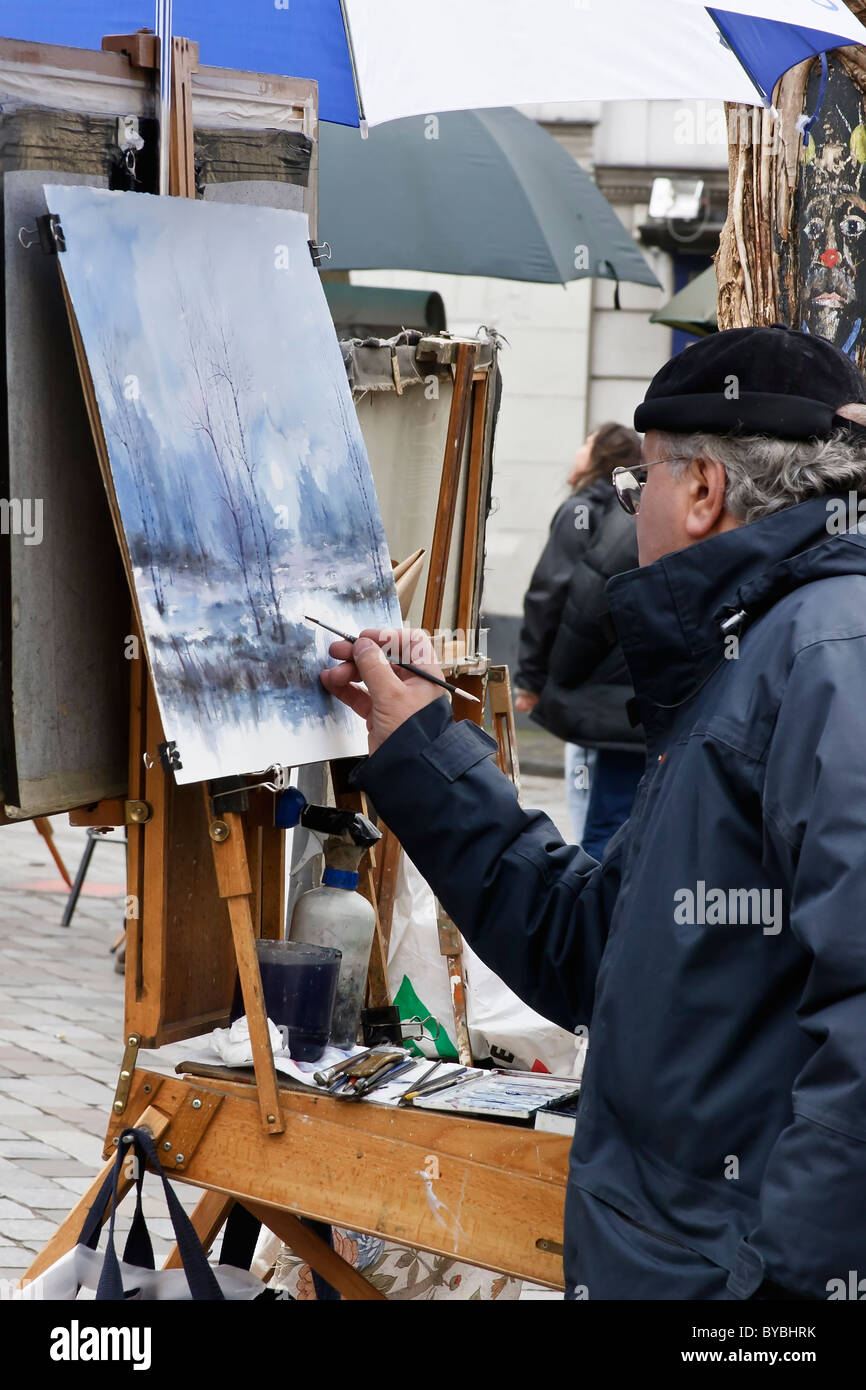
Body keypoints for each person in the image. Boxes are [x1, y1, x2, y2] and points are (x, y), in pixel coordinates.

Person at [320, 324, 866, 1301]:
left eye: (638, 481)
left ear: (702, 490)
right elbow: (592, 945)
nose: (629, 505)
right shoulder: (754, 657)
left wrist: (782, 1293)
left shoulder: (823, 653)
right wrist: (422, 748)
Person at [514, 423, 644, 850]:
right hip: (633, 694)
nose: (578, 451)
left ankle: (594, 894)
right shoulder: (637, 510)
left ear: (601, 456)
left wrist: (533, 678)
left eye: (586, 443)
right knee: (625, 820)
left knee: (599, 824)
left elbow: (549, 594)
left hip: (595, 691)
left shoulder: (582, 510)